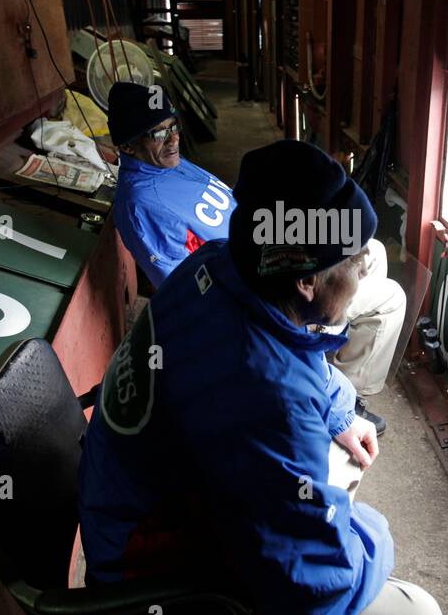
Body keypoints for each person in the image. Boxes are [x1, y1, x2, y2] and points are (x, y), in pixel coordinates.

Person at [79, 140, 446, 615]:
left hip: (123, 504)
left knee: (330, 479)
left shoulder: (217, 266)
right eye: (355, 262)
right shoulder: (269, 394)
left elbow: (292, 344)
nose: (363, 271)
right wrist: (373, 533)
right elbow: (313, 598)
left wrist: (338, 413)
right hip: (149, 569)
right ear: (305, 280)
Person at [106, 81, 405, 431]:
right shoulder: (140, 205)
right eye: (157, 134)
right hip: (261, 288)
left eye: (173, 126)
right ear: (127, 145)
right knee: (390, 298)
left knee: (372, 251)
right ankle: (341, 397)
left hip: (261, 249)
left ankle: (326, 358)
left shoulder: (169, 165)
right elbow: (184, 286)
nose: (173, 139)